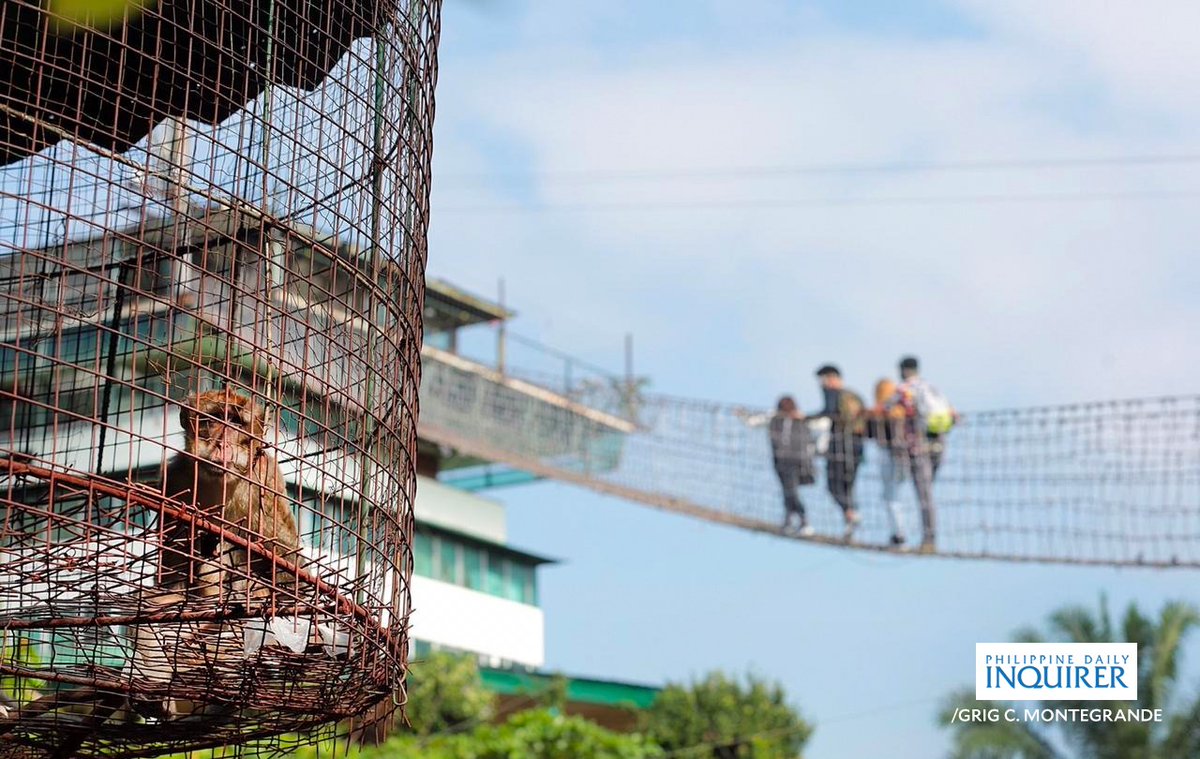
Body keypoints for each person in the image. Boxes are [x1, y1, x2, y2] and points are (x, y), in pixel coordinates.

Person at [887, 355, 957, 553]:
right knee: (928, 493)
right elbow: (953, 414)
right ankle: (930, 536)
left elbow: (887, 409)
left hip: (917, 446)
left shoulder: (903, 390)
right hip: (939, 442)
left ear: (903, 370)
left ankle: (928, 538)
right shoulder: (932, 388)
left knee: (924, 494)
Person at [813, 365, 866, 539]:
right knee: (848, 486)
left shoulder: (833, 394)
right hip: (857, 447)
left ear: (830, 379)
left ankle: (850, 514)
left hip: (840, 446)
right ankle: (850, 518)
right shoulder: (854, 395)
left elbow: (827, 413)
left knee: (833, 485)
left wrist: (804, 418)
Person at [867, 378, 908, 546]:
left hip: (889, 456)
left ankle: (898, 534)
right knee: (895, 496)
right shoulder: (902, 410)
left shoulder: (883, 412)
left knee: (891, 497)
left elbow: (870, 433)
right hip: (906, 457)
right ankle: (898, 532)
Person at [768, 395, 815, 536]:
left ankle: (801, 519)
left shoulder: (801, 421)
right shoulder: (776, 421)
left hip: (796, 461)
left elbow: (819, 426)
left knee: (791, 491)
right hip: (781, 462)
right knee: (788, 492)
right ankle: (791, 520)